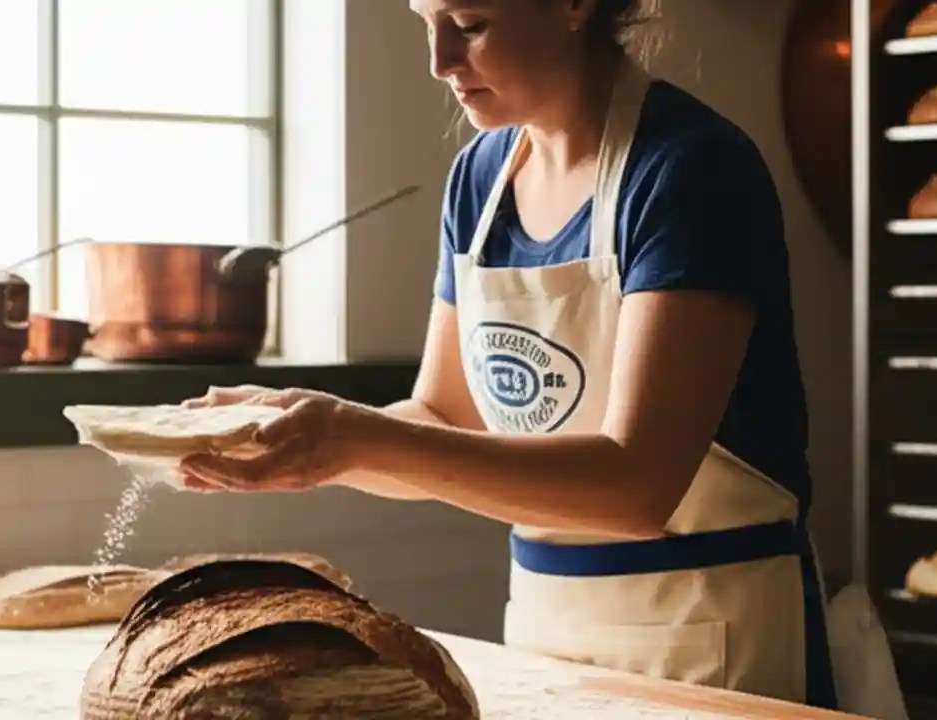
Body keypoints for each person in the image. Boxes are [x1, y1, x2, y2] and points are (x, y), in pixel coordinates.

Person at [179, 0, 839, 710]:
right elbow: (442, 418)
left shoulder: (691, 169)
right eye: (423, 21)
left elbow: (639, 486)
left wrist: (349, 437)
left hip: (713, 639)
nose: (440, 62)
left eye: (469, 24)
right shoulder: (479, 180)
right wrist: (294, 438)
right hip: (545, 632)